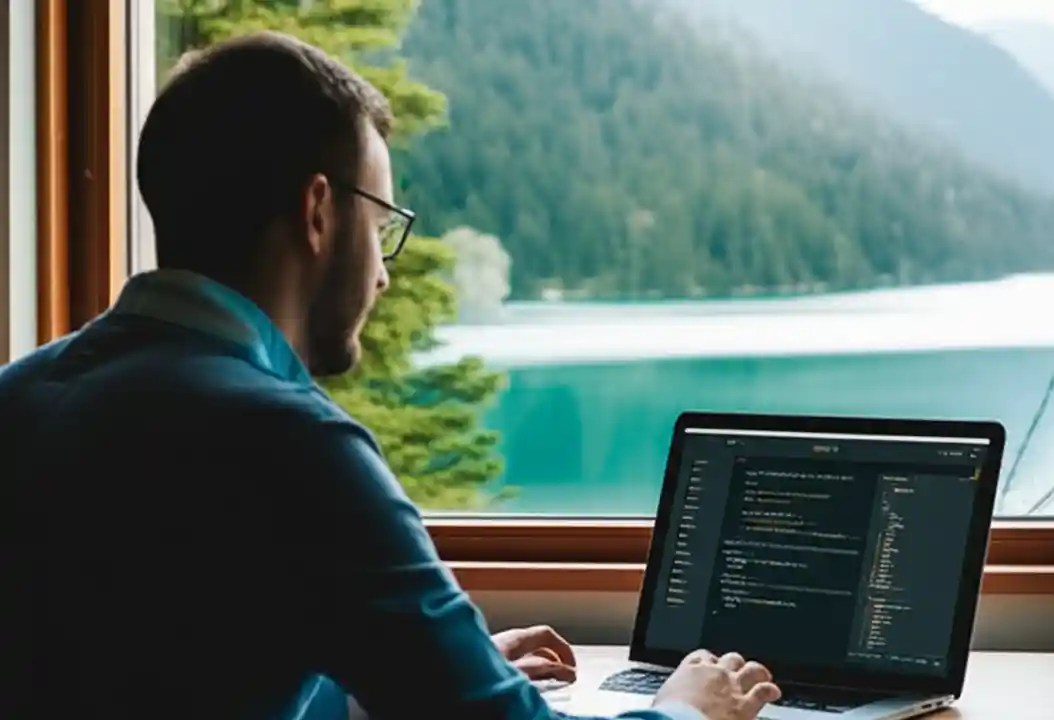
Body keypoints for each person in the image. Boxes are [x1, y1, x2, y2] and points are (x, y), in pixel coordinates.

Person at [0, 30, 782, 720]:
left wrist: (429, 680)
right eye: (380, 226)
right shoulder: (290, 443)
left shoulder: (18, 395)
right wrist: (687, 711)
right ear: (318, 213)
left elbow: (171, 678)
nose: (381, 274)